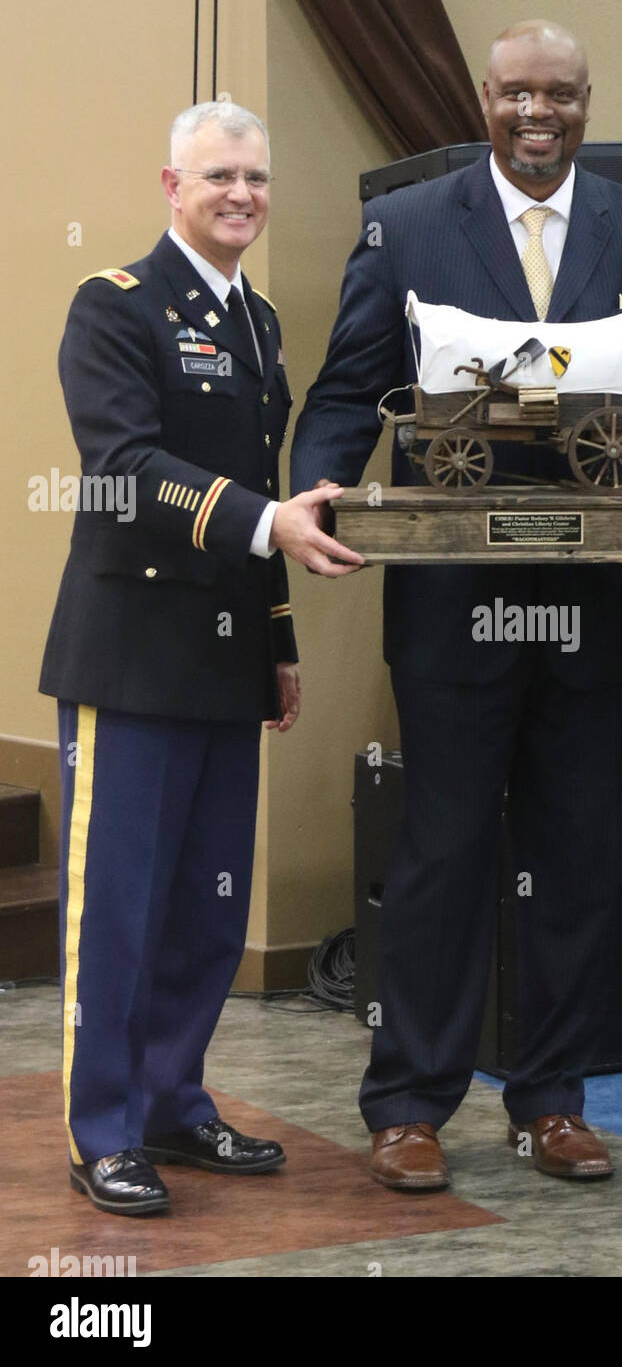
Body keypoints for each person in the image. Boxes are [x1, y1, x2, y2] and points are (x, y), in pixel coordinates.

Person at [291, 20, 622, 1189]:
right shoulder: (410, 226)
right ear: (486, 98)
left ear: (590, 101)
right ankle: (411, 1105)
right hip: (452, 603)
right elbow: (347, 385)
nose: (540, 114)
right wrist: (314, 488)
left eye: (562, 96)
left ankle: (552, 1101)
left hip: (595, 606)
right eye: (519, 94)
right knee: (441, 848)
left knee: (578, 850)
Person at [39, 101, 362, 1216]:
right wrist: (273, 527)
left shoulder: (259, 321)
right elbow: (126, 465)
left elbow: (261, 484)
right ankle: (104, 1128)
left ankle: (174, 1098)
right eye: (220, 173)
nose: (242, 193)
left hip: (226, 663)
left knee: (206, 908)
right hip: (130, 657)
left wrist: (276, 641)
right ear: (171, 186)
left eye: (257, 177)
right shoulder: (113, 307)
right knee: (117, 907)